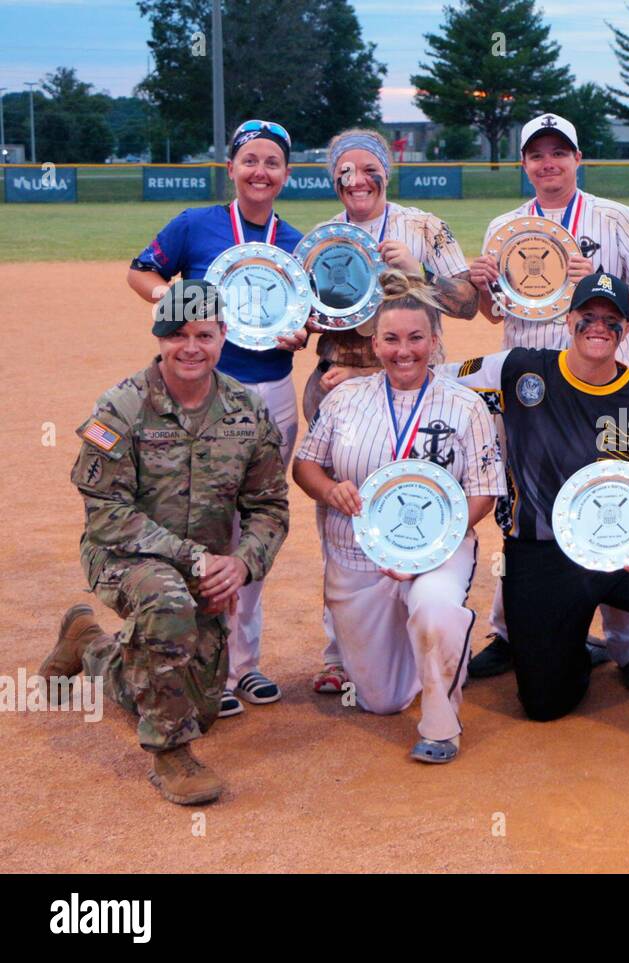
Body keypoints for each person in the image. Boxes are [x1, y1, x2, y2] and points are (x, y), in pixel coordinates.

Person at [443, 272, 629, 766]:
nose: (599, 327)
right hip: (541, 552)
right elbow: (441, 380)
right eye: (588, 317)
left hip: (615, 554)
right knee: (543, 705)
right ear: (569, 319)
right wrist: (362, 381)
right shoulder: (518, 368)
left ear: (626, 331)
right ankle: (572, 649)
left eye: (611, 321)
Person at [40, 280, 290, 805]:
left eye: (204, 334)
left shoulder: (247, 411)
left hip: (205, 567)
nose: (191, 347)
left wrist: (241, 565)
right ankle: (170, 754)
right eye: (176, 335)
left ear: (224, 336)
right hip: (122, 556)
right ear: (159, 339)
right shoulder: (122, 408)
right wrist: (195, 560)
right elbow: (107, 515)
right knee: (166, 603)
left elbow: (269, 508)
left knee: (186, 699)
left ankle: (89, 644)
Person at [465, 112, 629, 692]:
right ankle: (511, 630)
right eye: (537, 154)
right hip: (529, 393)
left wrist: (601, 279)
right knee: (520, 509)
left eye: (560, 152)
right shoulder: (505, 227)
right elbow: (495, 313)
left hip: (603, 389)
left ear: (577, 159)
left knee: (616, 503)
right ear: (524, 163)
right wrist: (483, 286)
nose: (548, 163)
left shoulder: (615, 218)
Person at [127, 118, 307, 717]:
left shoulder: (297, 241)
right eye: (250, 160)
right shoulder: (195, 224)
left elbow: (311, 316)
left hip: (271, 394)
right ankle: (212, 669)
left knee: (255, 527)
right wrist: (173, 302)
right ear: (231, 167)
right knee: (203, 526)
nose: (261, 171)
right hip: (201, 396)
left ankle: (245, 664)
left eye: (272, 162)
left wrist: (302, 331)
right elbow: (140, 270)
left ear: (285, 174)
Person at [293, 272, 504, 763]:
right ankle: (428, 654)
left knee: (433, 611)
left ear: (434, 341)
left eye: (415, 338)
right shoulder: (346, 397)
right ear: (375, 341)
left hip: (436, 555)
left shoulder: (465, 405)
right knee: (382, 700)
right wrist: (329, 488)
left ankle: (440, 719)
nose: (402, 351)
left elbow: (484, 490)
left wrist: (431, 547)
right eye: (391, 339)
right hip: (356, 553)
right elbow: (305, 466)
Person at [303, 127, 479, 698]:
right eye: (344, 171)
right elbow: (308, 317)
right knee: (342, 513)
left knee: (422, 501)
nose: (356, 180)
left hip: (417, 381)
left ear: (387, 171)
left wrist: (420, 272)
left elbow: (469, 304)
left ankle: (433, 630)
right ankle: (342, 650)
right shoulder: (321, 238)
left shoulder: (425, 227)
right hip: (338, 387)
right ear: (332, 178)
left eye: (367, 168)